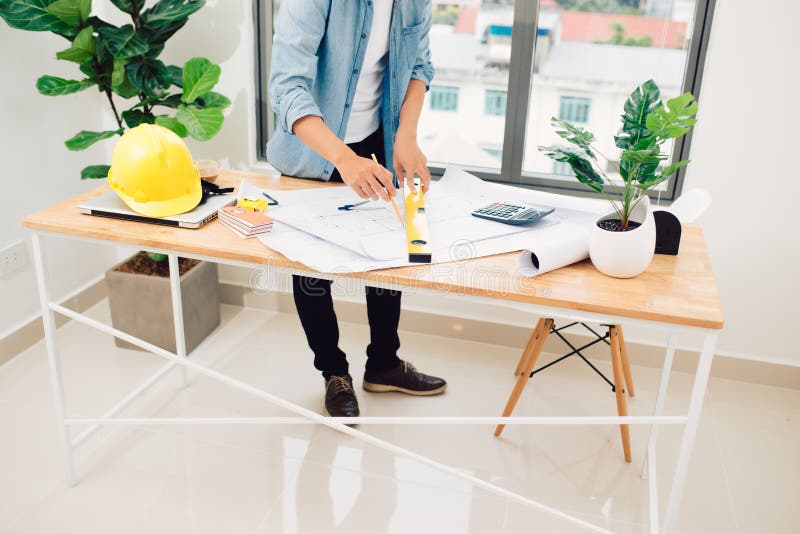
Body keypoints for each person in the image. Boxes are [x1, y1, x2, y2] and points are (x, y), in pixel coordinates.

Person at [267, 0, 446, 417]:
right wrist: (344, 159)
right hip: (313, 152)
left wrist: (406, 134)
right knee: (311, 269)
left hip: (375, 141)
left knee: (386, 254)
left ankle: (383, 363)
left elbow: (420, 67)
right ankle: (333, 372)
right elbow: (286, 88)